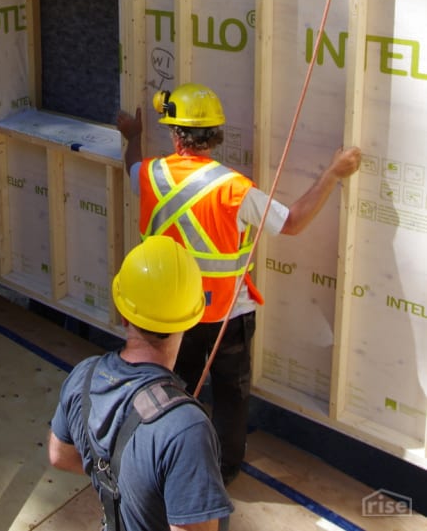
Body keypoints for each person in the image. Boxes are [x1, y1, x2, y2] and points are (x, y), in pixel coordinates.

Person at [116, 83, 361, 486]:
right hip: (228, 314)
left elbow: (131, 163)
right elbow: (293, 222)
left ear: (177, 135)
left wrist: (134, 136)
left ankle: (166, 460)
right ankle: (225, 470)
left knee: (172, 389)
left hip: (171, 314)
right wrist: (333, 173)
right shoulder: (234, 189)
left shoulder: (149, 175)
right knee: (231, 396)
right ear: (215, 135)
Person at [48, 235, 234, 531]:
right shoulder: (186, 428)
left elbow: (59, 455)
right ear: (191, 319)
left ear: (123, 315)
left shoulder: (83, 376)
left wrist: (123, 479)